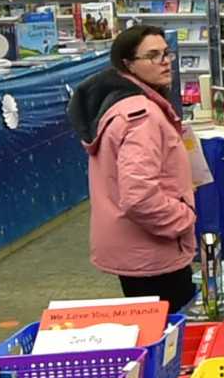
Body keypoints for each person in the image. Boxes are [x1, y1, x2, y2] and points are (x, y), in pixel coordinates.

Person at [68, 25, 199, 311]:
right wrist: (183, 218)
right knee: (171, 333)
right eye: (152, 56)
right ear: (128, 65)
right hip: (153, 251)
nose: (164, 61)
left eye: (166, 53)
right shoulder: (142, 117)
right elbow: (139, 195)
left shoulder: (121, 106)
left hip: (136, 248)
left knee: (151, 325)